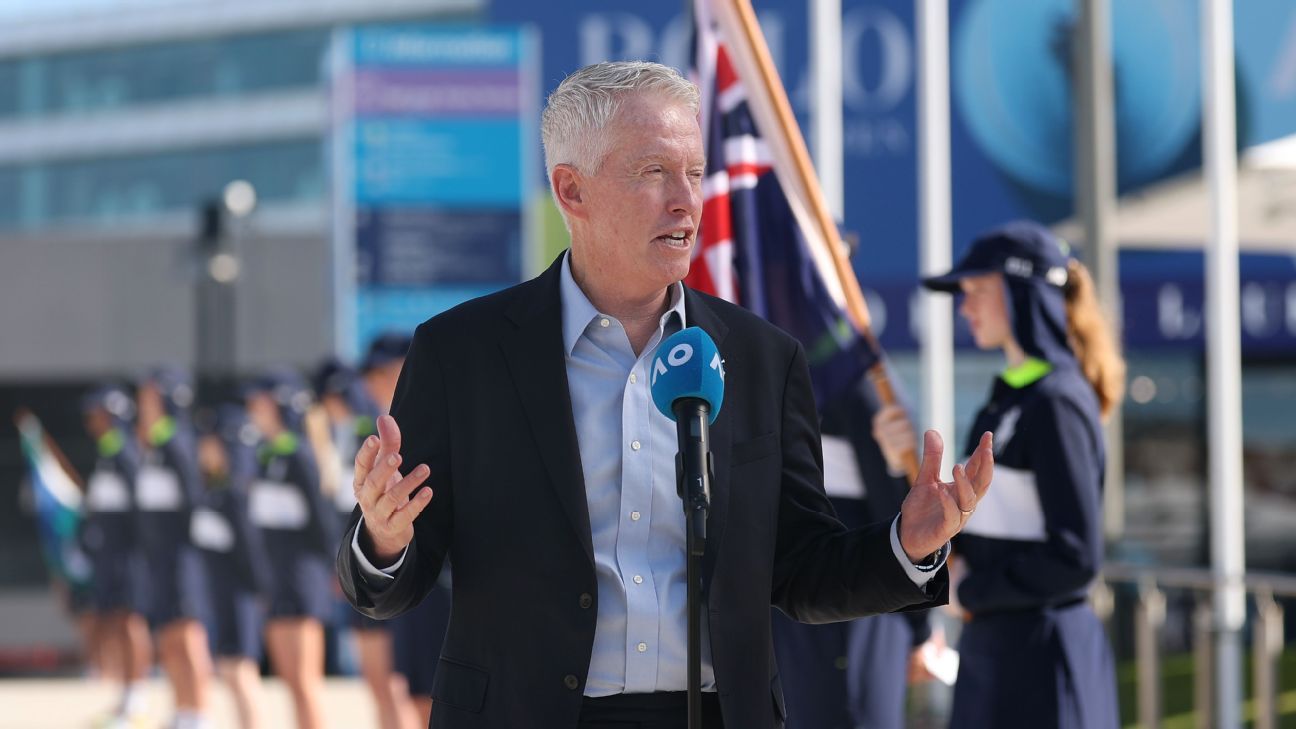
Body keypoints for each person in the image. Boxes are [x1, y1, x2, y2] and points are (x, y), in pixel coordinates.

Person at [336, 61, 994, 729]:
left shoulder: (764, 359)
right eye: (653, 172)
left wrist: (906, 546)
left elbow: (798, 569)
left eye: (695, 173)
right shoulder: (461, 354)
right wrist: (384, 539)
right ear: (571, 190)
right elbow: (395, 586)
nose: (686, 201)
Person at [872, 221, 1124, 729]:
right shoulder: (1008, 399)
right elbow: (980, 535)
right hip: (996, 653)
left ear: (1021, 292)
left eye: (977, 291)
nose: (965, 308)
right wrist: (901, 465)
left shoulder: (1057, 402)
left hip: (1044, 663)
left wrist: (970, 591)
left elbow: (1077, 558)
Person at [770, 372, 937, 729]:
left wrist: (921, 629)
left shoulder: (857, 384)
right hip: (809, 612)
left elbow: (900, 514)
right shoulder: (843, 381)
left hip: (855, 611)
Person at [314, 356, 420, 729]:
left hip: (386, 567)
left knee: (392, 684)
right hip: (363, 561)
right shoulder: (348, 431)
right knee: (378, 683)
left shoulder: (370, 427)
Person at [359, 333, 453, 729]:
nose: (377, 383)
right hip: (384, 569)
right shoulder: (365, 431)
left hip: (438, 579)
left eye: (386, 372)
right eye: (374, 375)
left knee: (433, 696)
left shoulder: (441, 422)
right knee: (401, 688)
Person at [244, 369, 339, 729]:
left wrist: (334, 571)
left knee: (303, 683)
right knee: (290, 682)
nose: (253, 409)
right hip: (275, 580)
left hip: (301, 580)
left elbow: (323, 523)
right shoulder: (266, 455)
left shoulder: (300, 455)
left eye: (260, 402)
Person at [135, 367, 214, 729]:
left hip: (183, 558)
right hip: (159, 559)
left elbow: (194, 501)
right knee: (168, 636)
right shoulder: (153, 444)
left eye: (150, 397)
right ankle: (183, 711)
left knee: (187, 635)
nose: (143, 403)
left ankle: (199, 713)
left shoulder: (177, 441)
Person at [80, 384, 154, 727]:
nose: (91, 421)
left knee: (130, 622)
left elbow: (140, 508)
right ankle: (126, 695)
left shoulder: (125, 452)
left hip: (129, 556)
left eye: (97, 413)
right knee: (116, 621)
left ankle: (137, 695)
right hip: (111, 556)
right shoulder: (108, 452)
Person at [193, 404, 271, 729]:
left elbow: (251, 550)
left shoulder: (237, 492)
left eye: (208, 442)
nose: (202, 449)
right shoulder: (215, 490)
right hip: (222, 593)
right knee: (229, 670)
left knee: (241, 671)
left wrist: (261, 590)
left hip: (241, 595)